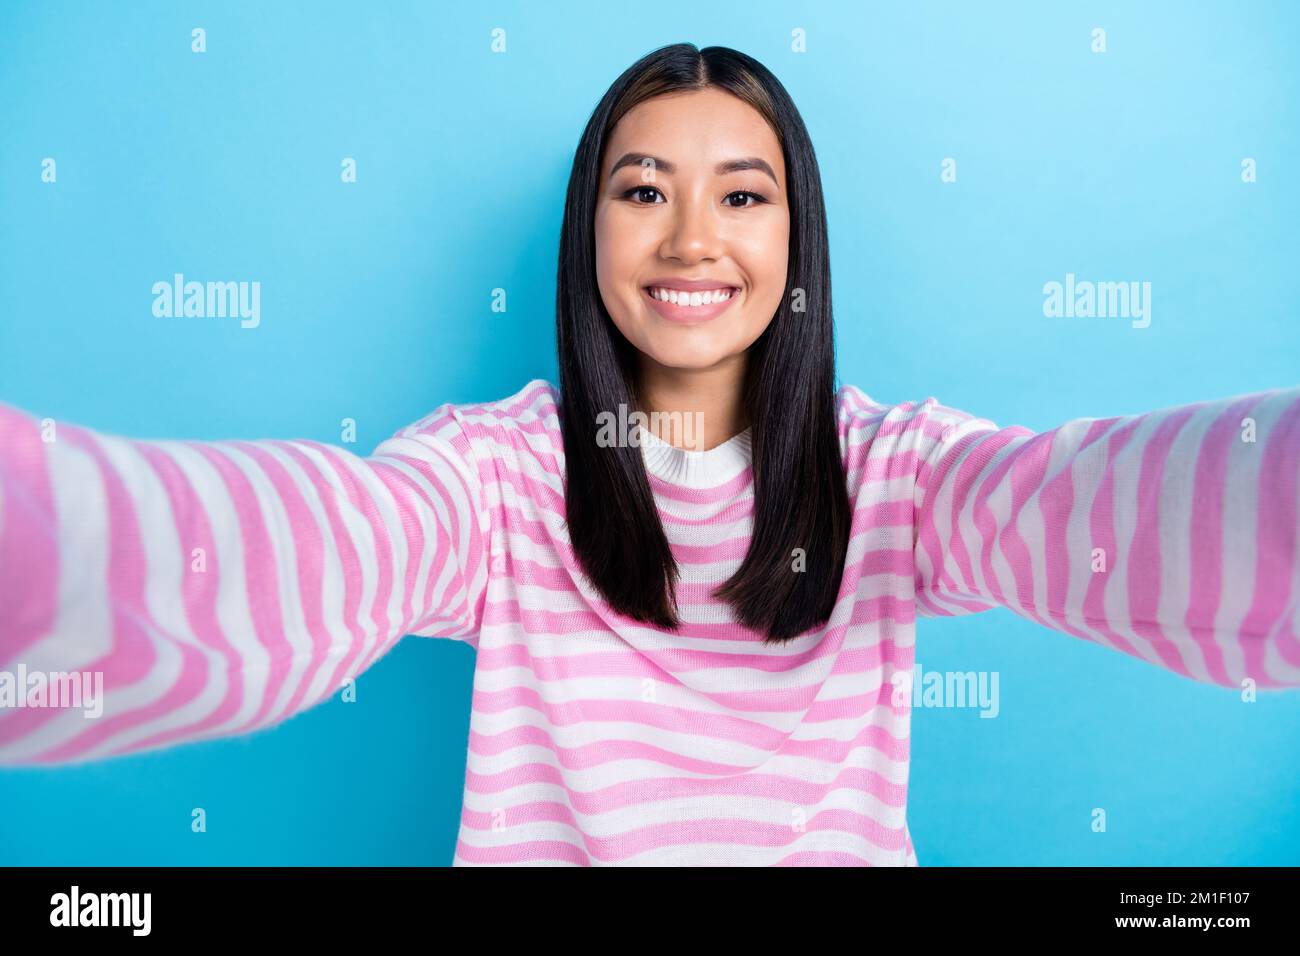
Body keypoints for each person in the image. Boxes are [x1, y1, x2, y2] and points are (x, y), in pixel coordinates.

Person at [1, 43, 1297, 866]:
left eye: (742, 193)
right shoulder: (496, 477)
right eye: (641, 190)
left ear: (799, 242)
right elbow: (327, 553)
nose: (691, 238)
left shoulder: (896, 475)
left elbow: (1092, 512)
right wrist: (54, 541)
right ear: (591, 232)